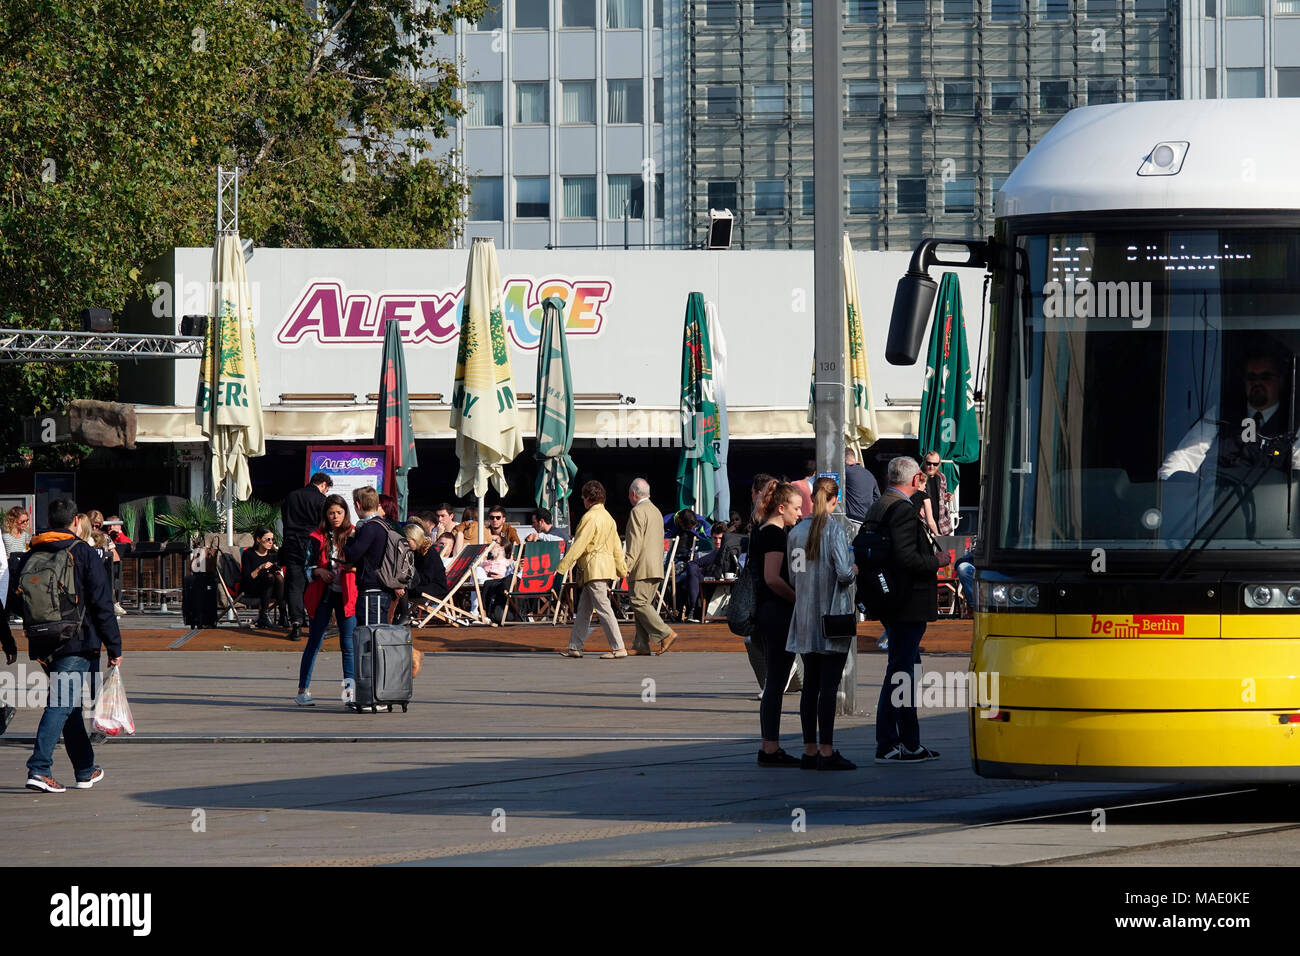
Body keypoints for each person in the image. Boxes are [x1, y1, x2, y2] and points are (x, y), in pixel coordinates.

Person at [13, 497, 122, 793]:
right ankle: (39, 768)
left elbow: (17, 598)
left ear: (50, 521)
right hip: (77, 640)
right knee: (61, 702)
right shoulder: (83, 553)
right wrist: (115, 647)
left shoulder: (32, 551)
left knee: (69, 703)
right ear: (76, 521)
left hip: (43, 640)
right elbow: (102, 603)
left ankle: (85, 769)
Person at [863, 456, 950, 764]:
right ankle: (889, 742)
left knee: (906, 670)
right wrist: (937, 562)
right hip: (906, 601)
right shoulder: (901, 509)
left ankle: (909, 742)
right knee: (901, 672)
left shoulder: (880, 505)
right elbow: (906, 558)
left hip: (890, 600)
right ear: (915, 481)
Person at [786, 477, 858, 771]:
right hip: (832, 618)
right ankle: (827, 752)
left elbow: (793, 576)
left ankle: (809, 749)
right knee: (829, 686)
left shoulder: (796, 532)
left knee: (810, 687)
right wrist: (855, 569)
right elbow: (843, 572)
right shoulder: (835, 530)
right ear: (834, 500)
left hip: (804, 617)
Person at [1161, 349, 1300, 478]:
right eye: (1251, 377)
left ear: (1280, 380)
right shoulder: (1220, 414)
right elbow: (1186, 455)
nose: (1257, 382)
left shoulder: (1294, 421)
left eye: (1265, 377)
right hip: (1216, 502)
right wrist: (1166, 484)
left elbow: (1297, 473)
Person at [754, 481, 803, 766]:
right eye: (796, 508)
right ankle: (770, 749)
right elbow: (773, 577)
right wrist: (797, 598)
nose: (799, 514)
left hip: (766, 612)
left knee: (775, 681)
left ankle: (769, 747)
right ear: (782, 508)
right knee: (776, 682)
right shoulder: (774, 534)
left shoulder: (762, 530)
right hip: (776, 613)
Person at [555, 480, 629, 659]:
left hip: (593, 568)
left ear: (588, 498)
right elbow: (616, 547)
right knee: (584, 609)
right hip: (604, 568)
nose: (582, 501)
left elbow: (579, 545)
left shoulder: (589, 518)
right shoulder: (609, 518)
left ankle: (619, 647)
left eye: (583, 497)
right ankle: (574, 646)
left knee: (603, 608)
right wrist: (622, 569)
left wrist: (561, 568)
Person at [296, 494, 356, 707]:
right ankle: (303, 690)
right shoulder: (315, 536)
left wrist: (350, 566)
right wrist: (319, 571)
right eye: (331, 513)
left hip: (347, 594)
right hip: (323, 594)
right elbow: (306, 567)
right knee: (314, 641)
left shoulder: (353, 533)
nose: (335, 516)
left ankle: (349, 694)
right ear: (325, 514)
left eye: (339, 512)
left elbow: (361, 563)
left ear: (345, 513)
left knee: (348, 645)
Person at [624, 478, 678, 656]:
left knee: (638, 602)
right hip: (656, 566)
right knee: (643, 604)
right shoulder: (656, 511)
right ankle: (641, 644)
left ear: (633, 494)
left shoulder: (637, 511)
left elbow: (635, 543)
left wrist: (626, 565)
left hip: (642, 567)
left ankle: (665, 633)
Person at [281, 472, 333, 641]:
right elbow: (325, 525)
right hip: (313, 544)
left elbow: (284, 519)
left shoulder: (291, 496)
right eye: (327, 489)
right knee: (316, 583)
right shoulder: (321, 500)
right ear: (324, 484)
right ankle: (315, 624)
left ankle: (296, 624)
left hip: (291, 543)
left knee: (294, 585)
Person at [345, 485, 400, 629]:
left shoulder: (369, 528)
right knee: (378, 632)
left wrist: (349, 538)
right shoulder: (385, 525)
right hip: (384, 586)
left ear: (358, 504)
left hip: (372, 589)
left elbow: (351, 555)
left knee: (371, 635)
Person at [677, 522, 729, 622]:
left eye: (720, 538)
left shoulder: (721, 551)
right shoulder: (716, 551)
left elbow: (693, 564)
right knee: (684, 581)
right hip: (709, 582)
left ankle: (693, 610)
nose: (717, 541)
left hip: (717, 584)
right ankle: (692, 610)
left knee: (691, 568)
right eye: (715, 538)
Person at [240, 526, 285, 629]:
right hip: (251, 588)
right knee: (269, 576)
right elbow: (247, 578)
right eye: (268, 539)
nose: (271, 542)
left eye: (272, 539)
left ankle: (283, 614)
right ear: (258, 539)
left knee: (278, 577)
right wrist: (260, 568)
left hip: (271, 588)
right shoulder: (248, 554)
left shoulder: (273, 555)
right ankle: (264, 615)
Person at [843, 448, 881, 529]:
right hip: (866, 522)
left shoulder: (845, 471)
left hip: (851, 520)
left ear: (843, 459)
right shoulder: (869, 474)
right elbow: (877, 499)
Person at [920, 450, 954, 535]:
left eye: (935, 464)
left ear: (939, 464)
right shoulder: (918, 477)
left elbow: (941, 496)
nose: (932, 467)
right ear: (924, 462)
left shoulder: (942, 477)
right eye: (928, 463)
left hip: (941, 524)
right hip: (923, 523)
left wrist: (946, 497)